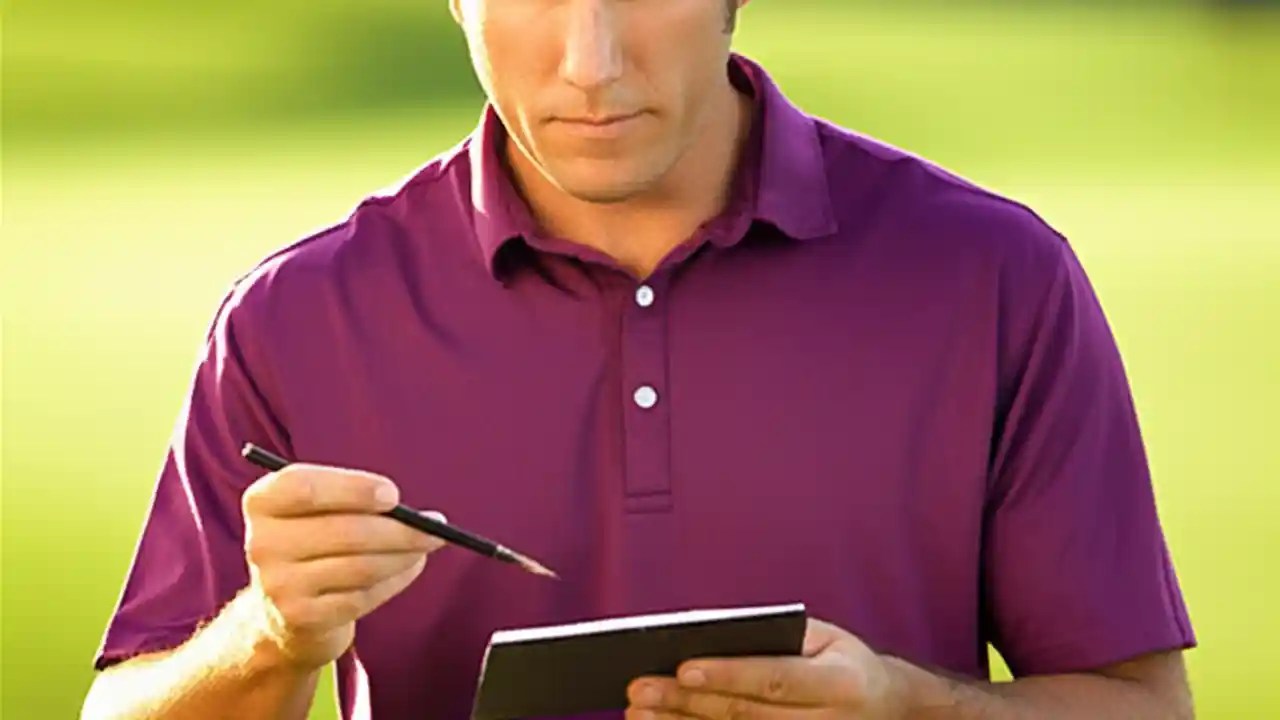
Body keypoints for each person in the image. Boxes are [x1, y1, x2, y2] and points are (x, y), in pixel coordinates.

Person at [81, 0, 1197, 718]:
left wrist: (907, 704)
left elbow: (1138, 706)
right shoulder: (298, 316)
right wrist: (269, 638)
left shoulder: (994, 276)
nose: (592, 64)